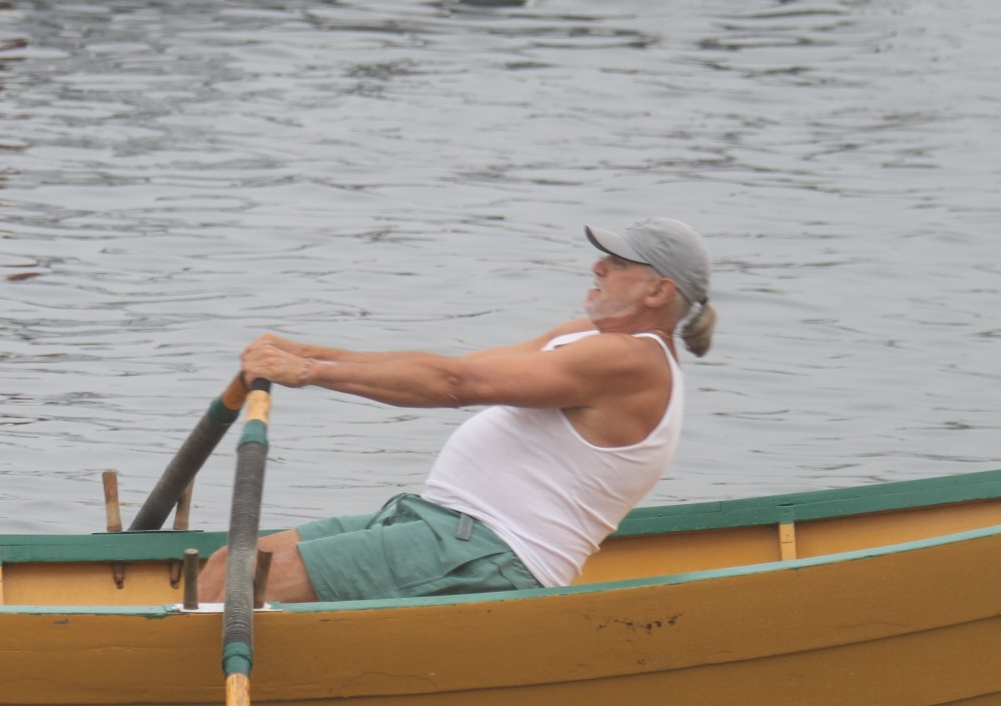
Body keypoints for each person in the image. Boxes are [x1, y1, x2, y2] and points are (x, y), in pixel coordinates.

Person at [197, 218, 715, 604]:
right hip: (443, 526)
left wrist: (310, 373)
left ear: (658, 290)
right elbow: (453, 366)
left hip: (491, 554)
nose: (597, 267)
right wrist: (307, 354)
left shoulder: (633, 360)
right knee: (228, 565)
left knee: (245, 581)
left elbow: (454, 386)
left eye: (618, 263)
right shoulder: (581, 337)